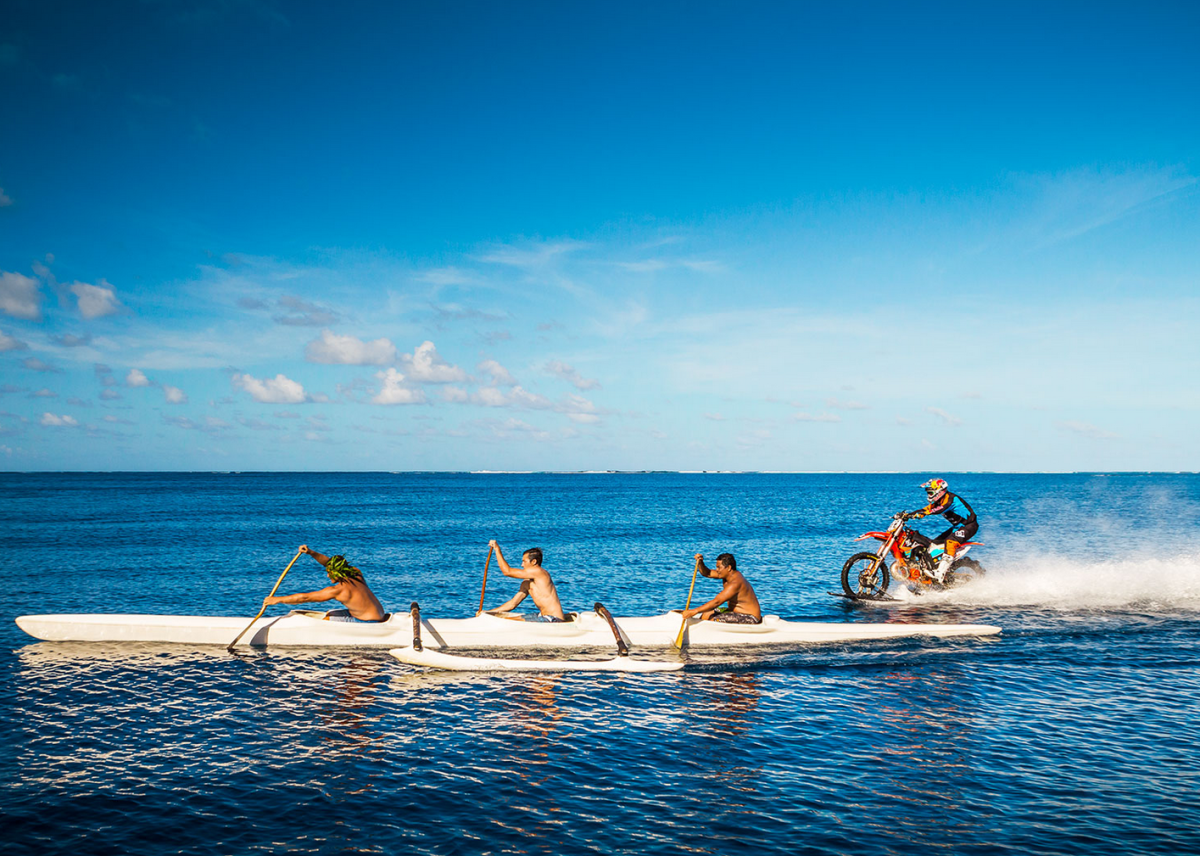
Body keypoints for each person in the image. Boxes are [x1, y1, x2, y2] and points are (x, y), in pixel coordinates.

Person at [263, 545, 388, 622]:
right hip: (378, 615)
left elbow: (305, 597)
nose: (327, 575)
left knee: (327, 620)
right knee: (331, 613)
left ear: (336, 573)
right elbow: (329, 563)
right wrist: (311, 552)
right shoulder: (356, 573)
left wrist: (277, 600)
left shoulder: (338, 590)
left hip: (368, 623)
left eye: (329, 572)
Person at [904, 478, 979, 583]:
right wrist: (907, 515)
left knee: (950, 542)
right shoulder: (938, 501)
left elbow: (939, 509)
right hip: (958, 526)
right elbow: (925, 509)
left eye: (930, 492)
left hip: (969, 526)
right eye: (927, 492)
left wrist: (924, 513)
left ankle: (940, 573)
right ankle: (931, 569)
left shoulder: (950, 499)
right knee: (933, 545)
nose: (928, 494)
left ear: (939, 491)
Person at [488, 539, 566, 621]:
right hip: (541, 615)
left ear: (534, 562)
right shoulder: (526, 583)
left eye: (524, 561)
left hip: (553, 618)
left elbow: (507, 572)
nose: (522, 565)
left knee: (509, 623)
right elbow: (512, 604)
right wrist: (488, 613)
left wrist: (497, 549)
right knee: (506, 619)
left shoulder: (539, 572)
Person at [682, 553, 762, 624]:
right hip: (734, 612)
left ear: (729, 568)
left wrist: (694, 611)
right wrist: (700, 563)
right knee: (706, 614)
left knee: (714, 620)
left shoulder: (735, 583)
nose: (717, 570)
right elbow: (707, 573)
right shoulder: (727, 575)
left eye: (719, 567)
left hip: (750, 617)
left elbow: (717, 602)